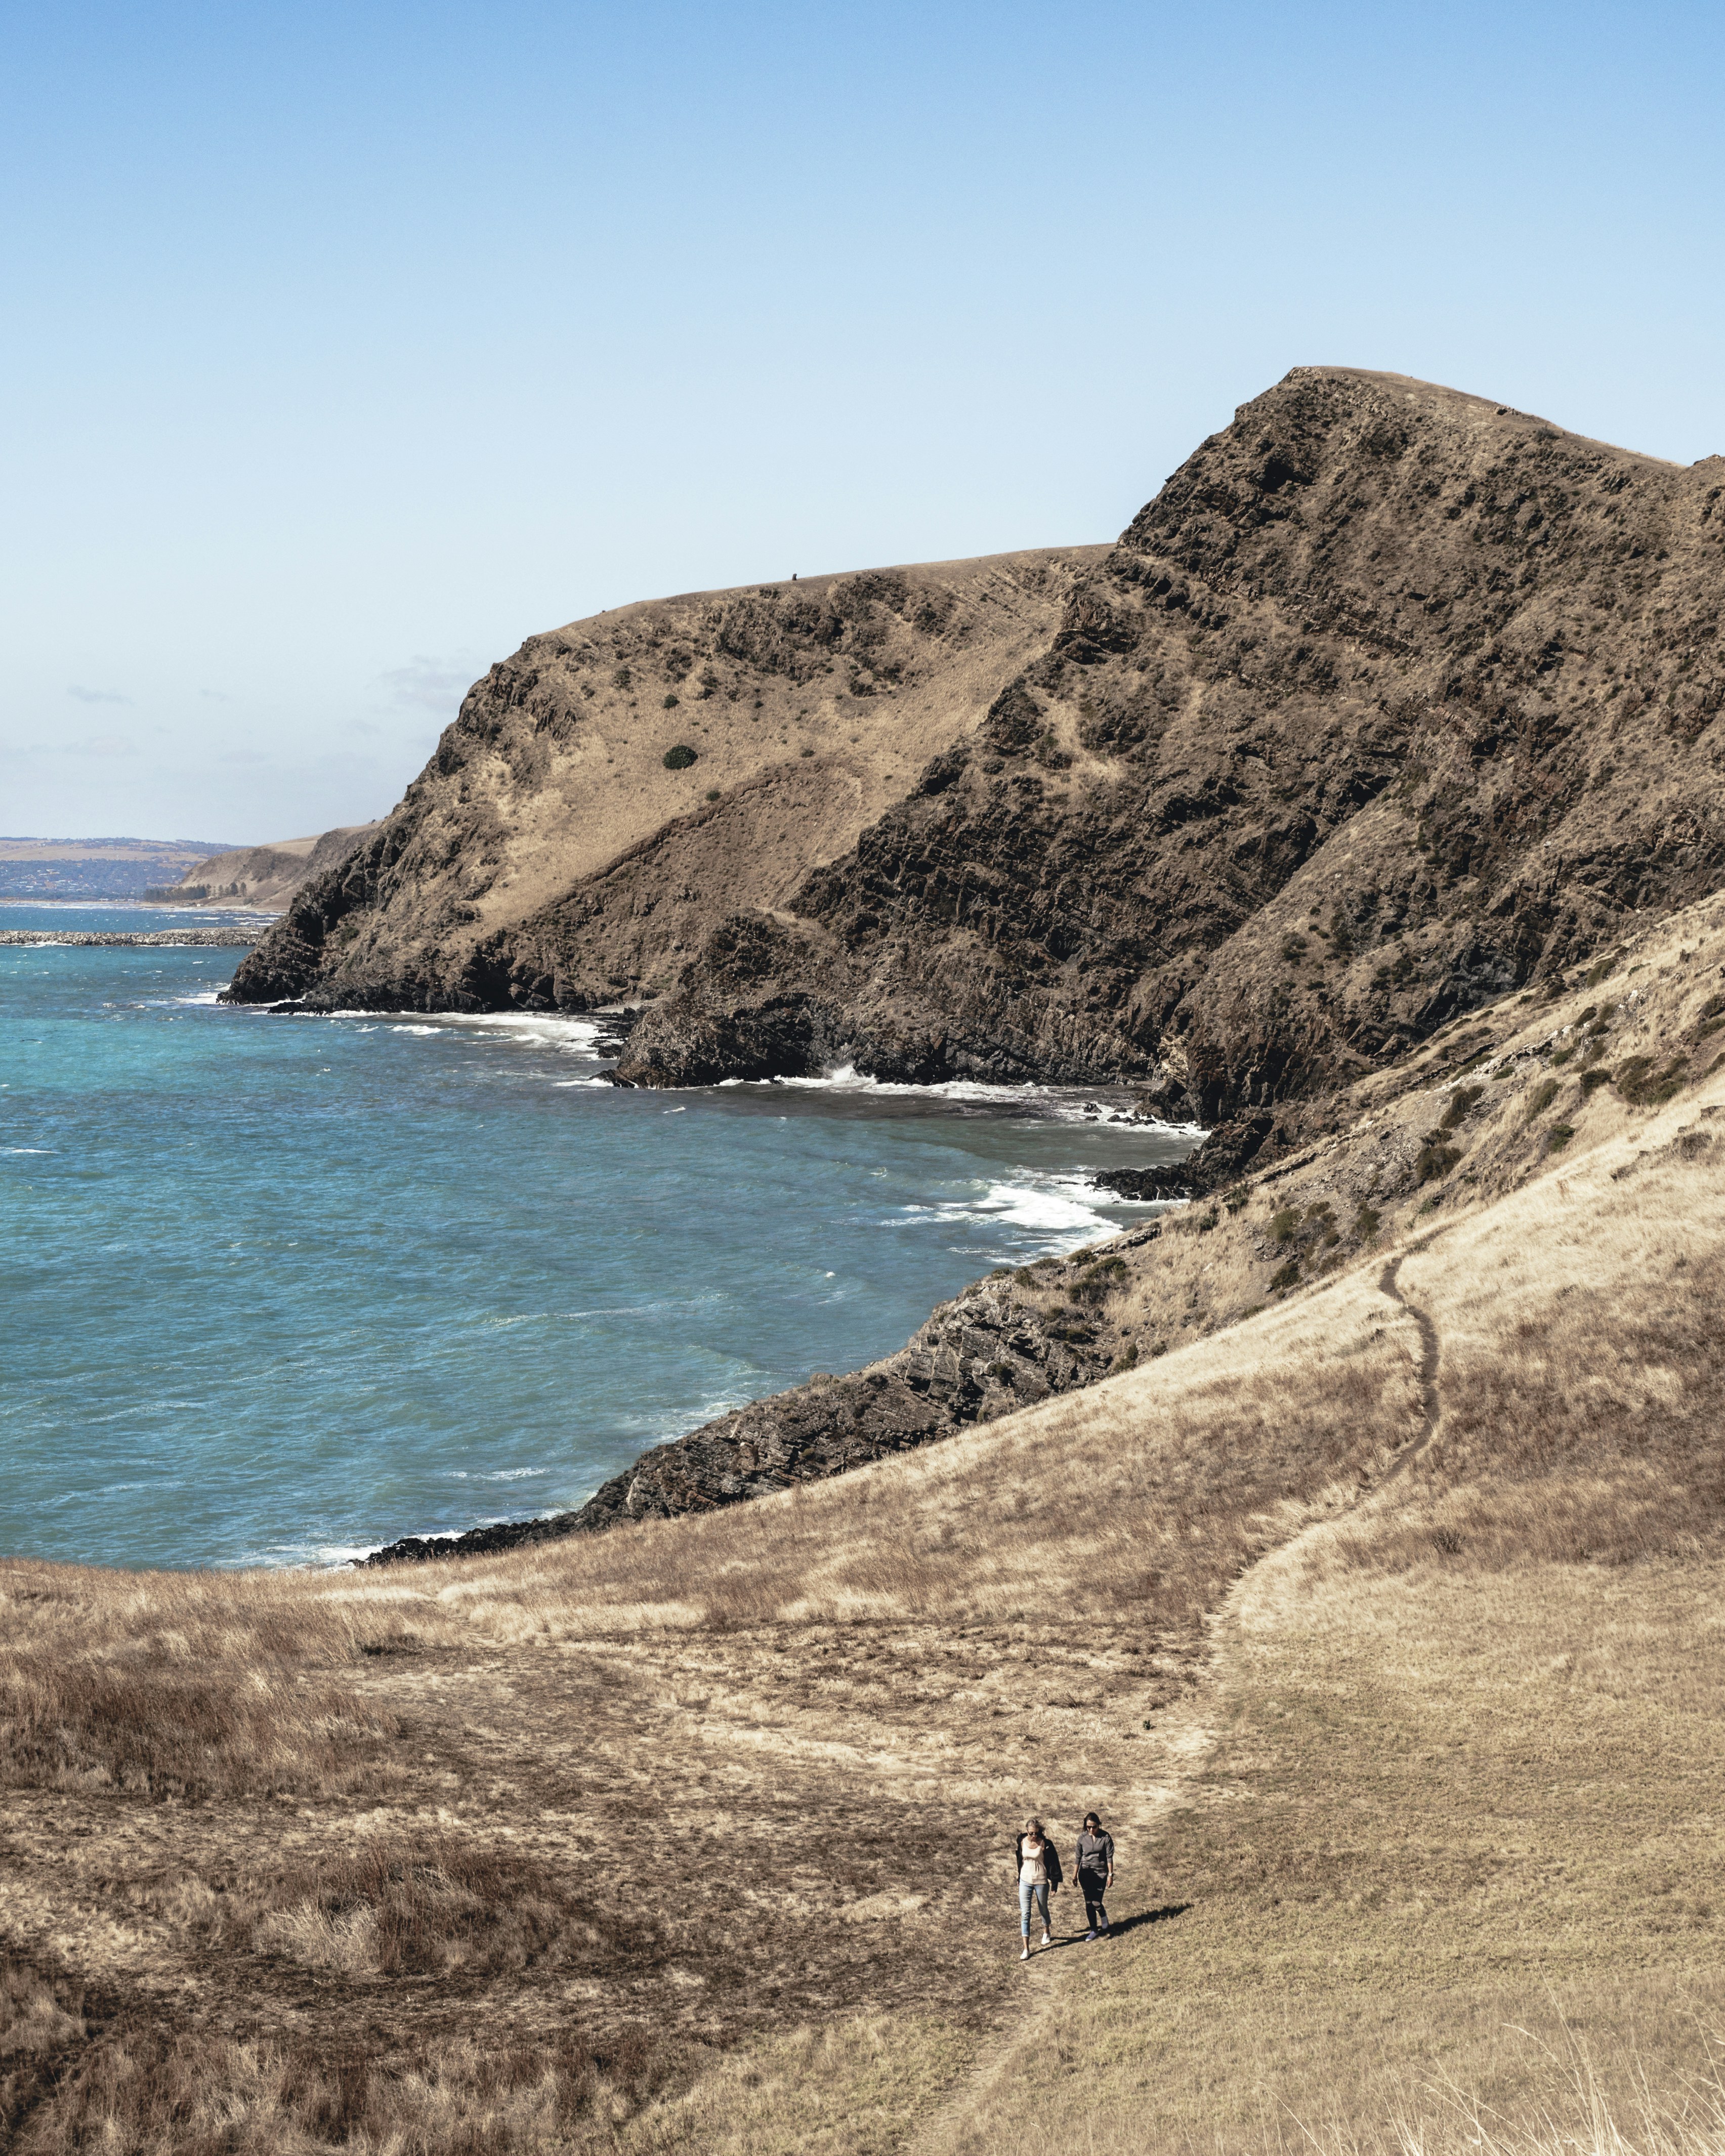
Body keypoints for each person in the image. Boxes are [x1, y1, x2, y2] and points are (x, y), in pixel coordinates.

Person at [1013, 1816, 1063, 1959]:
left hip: (1041, 1881)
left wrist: (1054, 1884)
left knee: (1043, 1909)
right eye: (1031, 1833)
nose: (1034, 1836)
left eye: (1036, 1833)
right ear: (1027, 1831)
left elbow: (1053, 1864)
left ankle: (1047, 1931)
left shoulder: (1045, 1844)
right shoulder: (1022, 1841)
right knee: (1025, 1914)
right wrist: (1019, 1878)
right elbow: (1020, 1861)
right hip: (1025, 1880)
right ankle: (1026, 1949)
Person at [1075, 1811, 1115, 1938]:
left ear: (1099, 1825)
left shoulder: (1105, 1837)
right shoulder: (1082, 1838)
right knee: (1089, 1902)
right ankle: (1094, 1930)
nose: (1091, 1830)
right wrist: (1074, 1875)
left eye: (1094, 1827)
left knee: (1096, 1902)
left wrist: (1110, 1875)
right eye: (1089, 1827)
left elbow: (1109, 1857)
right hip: (1085, 1873)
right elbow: (1078, 1858)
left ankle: (1102, 1913)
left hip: (1101, 1873)